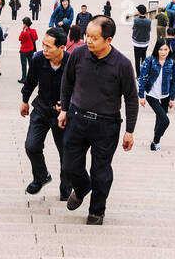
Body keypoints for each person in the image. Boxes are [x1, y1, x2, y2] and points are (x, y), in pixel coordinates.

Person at [57, 16, 137, 225]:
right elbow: (67, 81)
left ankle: (97, 211)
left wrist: (130, 130)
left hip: (107, 124)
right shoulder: (79, 54)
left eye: (94, 37)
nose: (88, 41)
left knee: (101, 170)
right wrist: (64, 109)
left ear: (108, 40)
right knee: (69, 164)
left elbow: (130, 98)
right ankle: (82, 187)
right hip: (77, 117)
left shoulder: (122, 64)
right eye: (87, 36)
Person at [21, 27, 69, 199]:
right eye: (43, 45)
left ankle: (66, 188)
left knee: (66, 153)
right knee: (31, 146)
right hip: (41, 109)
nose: (44, 49)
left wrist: (67, 106)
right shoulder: (38, 59)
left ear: (62, 47)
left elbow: (81, 89)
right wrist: (25, 101)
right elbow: (30, 82)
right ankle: (41, 177)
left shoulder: (71, 64)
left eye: (49, 46)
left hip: (63, 115)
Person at [137, 34, 175, 151]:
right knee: (165, 121)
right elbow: (142, 78)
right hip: (152, 95)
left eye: (165, 49)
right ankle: (156, 141)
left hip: (165, 95)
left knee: (160, 119)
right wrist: (141, 95)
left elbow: (174, 81)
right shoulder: (150, 61)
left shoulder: (171, 63)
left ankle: (155, 139)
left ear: (169, 50)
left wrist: (172, 98)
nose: (163, 52)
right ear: (157, 49)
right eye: (161, 49)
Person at [128, 5, 153, 80]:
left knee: (137, 59)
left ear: (139, 12)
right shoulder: (149, 21)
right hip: (145, 42)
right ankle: (143, 74)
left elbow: (133, 28)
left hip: (137, 42)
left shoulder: (136, 20)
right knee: (143, 58)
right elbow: (149, 30)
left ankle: (138, 75)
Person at [18, 17, 38, 82]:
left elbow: (20, 39)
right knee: (31, 65)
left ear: (25, 24)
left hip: (23, 51)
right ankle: (32, 78)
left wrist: (23, 31)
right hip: (31, 50)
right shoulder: (34, 30)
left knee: (24, 65)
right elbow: (36, 38)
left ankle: (24, 78)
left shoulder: (24, 32)